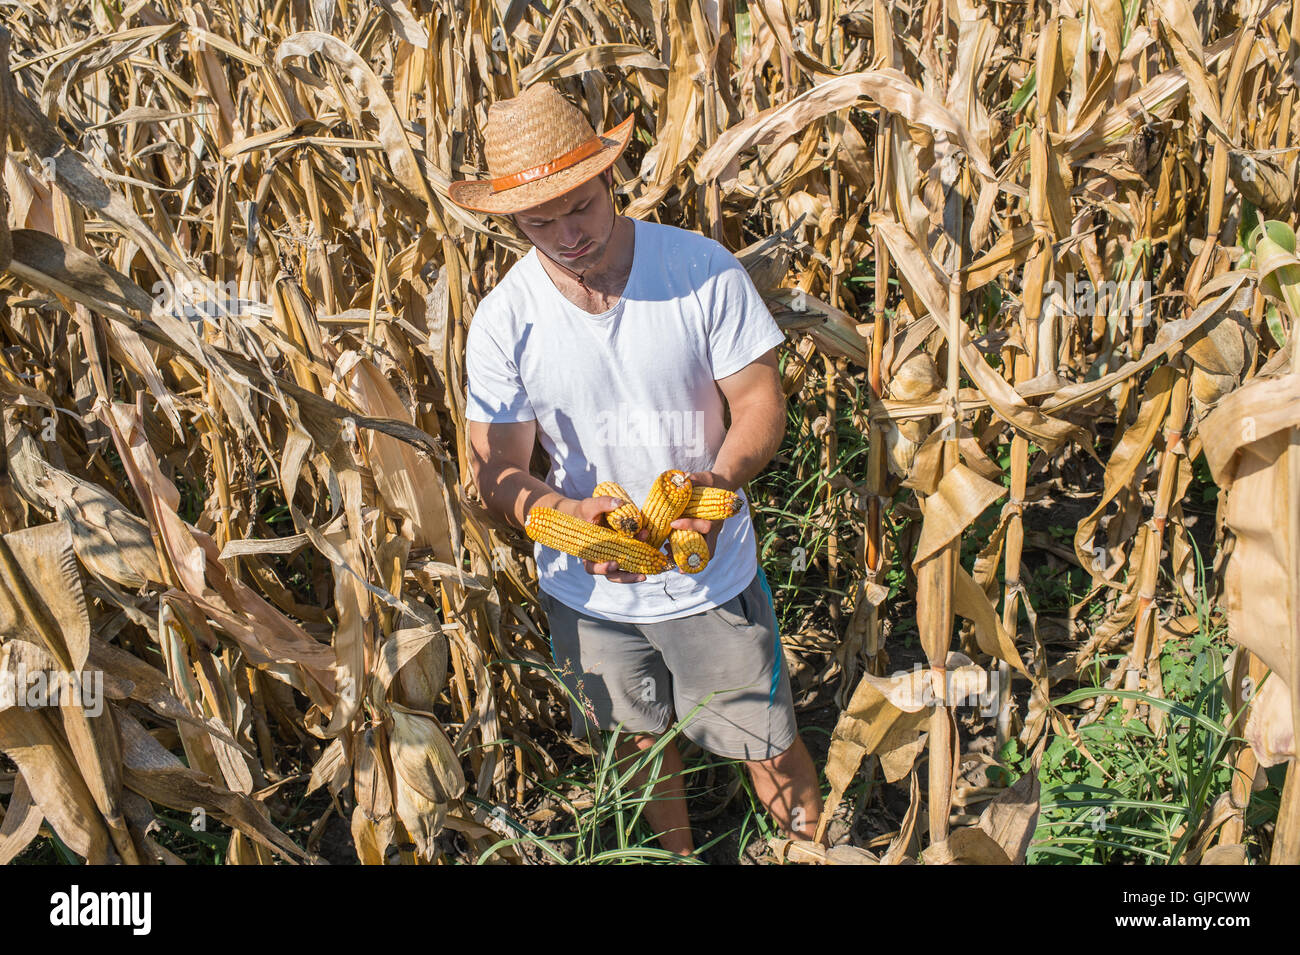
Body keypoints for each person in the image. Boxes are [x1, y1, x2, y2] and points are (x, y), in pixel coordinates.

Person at [448, 83, 823, 856]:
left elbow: (760, 404)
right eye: (538, 221)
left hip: (707, 573)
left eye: (579, 207)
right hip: (587, 594)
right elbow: (495, 471)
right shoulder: (503, 320)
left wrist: (716, 491)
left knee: (766, 737)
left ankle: (808, 848)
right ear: (510, 220)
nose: (565, 234)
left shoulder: (698, 269)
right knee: (636, 748)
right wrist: (552, 515)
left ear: (609, 179)